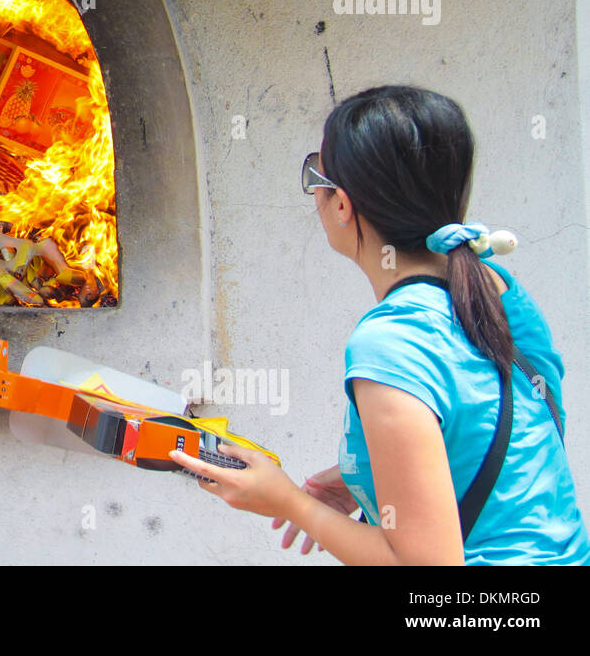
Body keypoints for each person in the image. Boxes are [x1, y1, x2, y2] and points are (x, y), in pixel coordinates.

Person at [167, 85, 590, 564]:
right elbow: (510, 442)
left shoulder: (390, 342)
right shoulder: (499, 288)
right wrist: (370, 479)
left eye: (315, 175)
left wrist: (290, 502)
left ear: (342, 205)